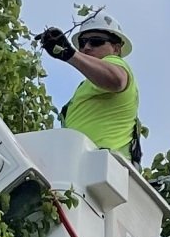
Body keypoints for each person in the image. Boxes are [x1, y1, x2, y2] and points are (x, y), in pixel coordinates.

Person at [38, 8, 140, 160]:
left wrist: (70, 54)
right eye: (82, 42)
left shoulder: (115, 63)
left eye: (96, 41)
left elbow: (116, 79)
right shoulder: (87, 86)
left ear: (116, 49)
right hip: (84, 166)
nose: (86, 47)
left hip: (107, 167)